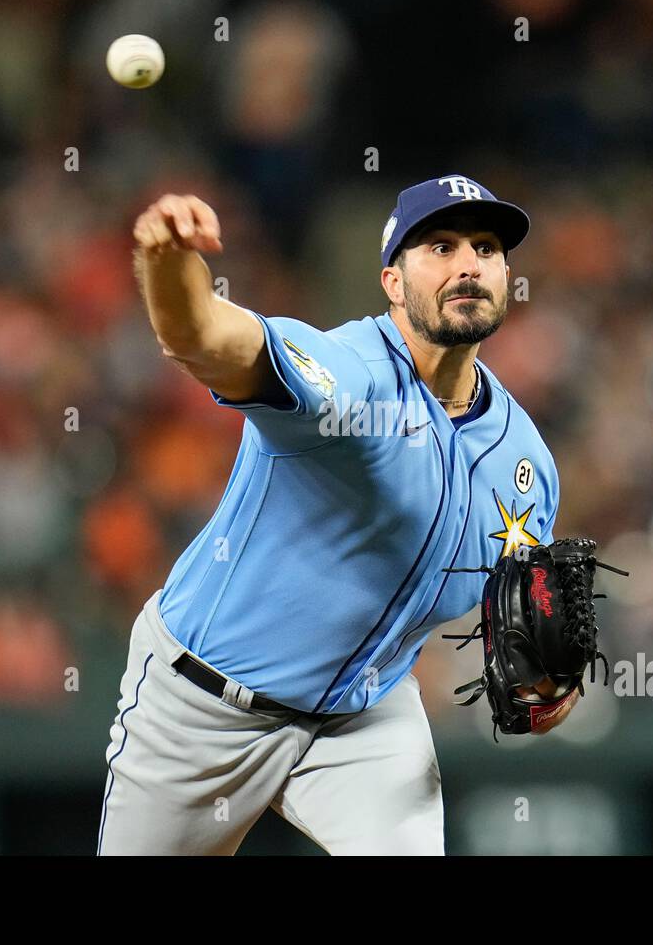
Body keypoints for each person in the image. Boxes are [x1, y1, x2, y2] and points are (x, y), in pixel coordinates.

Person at [97, 174, 569, 855]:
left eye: (487, 248)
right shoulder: (349, 376)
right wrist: (168, 262)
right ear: (392, 282)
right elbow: (202, 337)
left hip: (362, 716)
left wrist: (549, 688)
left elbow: (533, 646)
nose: (468, 263)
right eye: (440, 246)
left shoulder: (525, 459)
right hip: (204, 707)